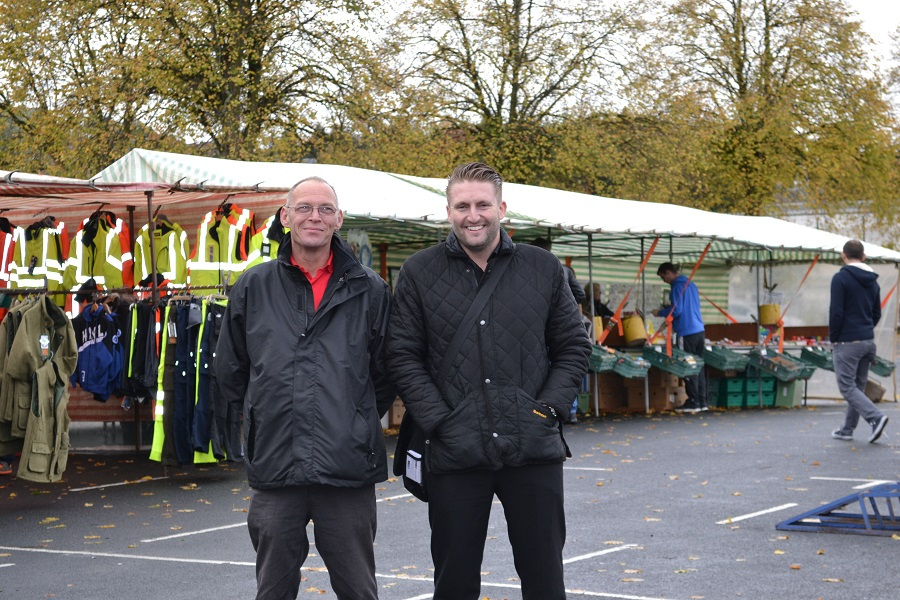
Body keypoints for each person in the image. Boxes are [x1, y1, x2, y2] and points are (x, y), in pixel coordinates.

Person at [387, 162, 591, 600]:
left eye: (482, 204)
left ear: (501, 207)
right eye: (463, 206)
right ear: (448, 211)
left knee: (544, 579)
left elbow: (574, 347)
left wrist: (547, 410)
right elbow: (402, 355)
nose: (473, 215)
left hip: (532, 443)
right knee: (455, 581)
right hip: (454, 448)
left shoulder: (543, 268)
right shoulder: (420, 272)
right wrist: (439, 421)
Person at [216, 176, 395, 600]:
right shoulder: (252, 287)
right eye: (304, 208)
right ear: (285, 217)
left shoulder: (370, 290)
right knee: (273, 590)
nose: (314, 216)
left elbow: (387, 373)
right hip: (277, 466)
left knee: (358, 590)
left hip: (347, 467)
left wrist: (353, 416)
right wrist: (266, 414)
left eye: (325, 209)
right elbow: (230, 371)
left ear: (339, 220)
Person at [828, 240, 888, 443]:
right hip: (867, 341)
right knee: (857, 388)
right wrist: (866, 329)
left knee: (847, 387)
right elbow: (876, 313)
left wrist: (834, 338)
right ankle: (847, 429)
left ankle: (876, 417)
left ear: (843, 255)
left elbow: (836, 312)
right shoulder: (873, 281)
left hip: (847, 342)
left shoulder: (840, 279)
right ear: (863, 256)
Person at [530, 236, 585, 423]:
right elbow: (580, 294)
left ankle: (543, 409)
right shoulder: (565, 269)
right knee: (565, 362)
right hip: (562, 324)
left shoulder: (529, 268)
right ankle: (571, 410)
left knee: (545, 366)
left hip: (538, 325)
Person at [652, 262, 707, 412]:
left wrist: (661, 312)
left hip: (686, 330)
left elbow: (677, 310)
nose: (664, 281)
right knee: (698, 366)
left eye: (664, 277)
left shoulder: (676, 286)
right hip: (699, 329)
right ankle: (702, 401)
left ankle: (693, 402)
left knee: (687, 365)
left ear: (669, 272)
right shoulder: (691, 284)